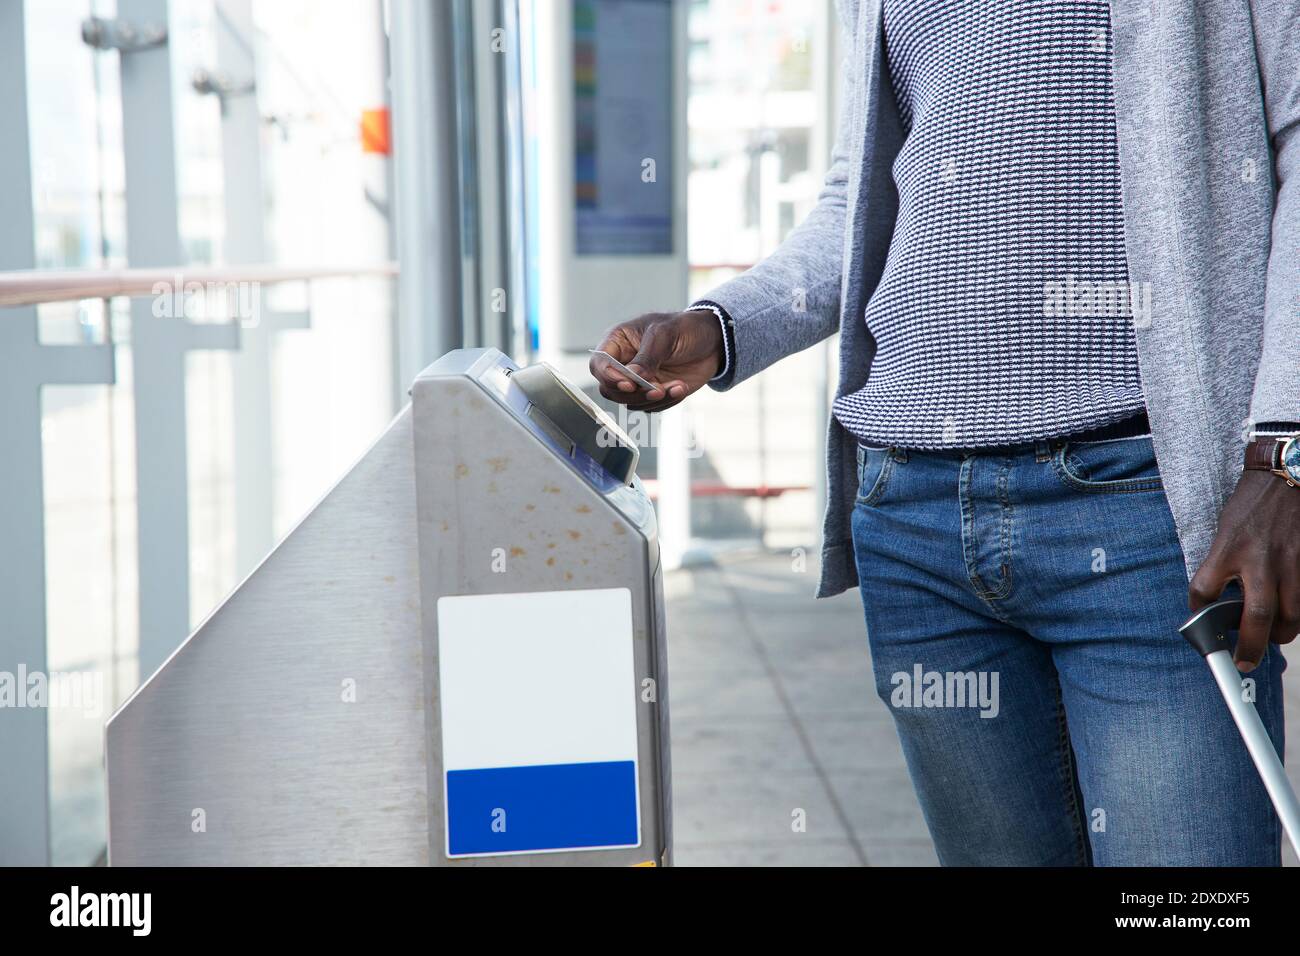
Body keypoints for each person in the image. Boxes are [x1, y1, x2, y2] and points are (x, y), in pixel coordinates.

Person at [590, 0, 1300, 866]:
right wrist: (724, 324)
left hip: (1148, 512)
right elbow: (864, 194)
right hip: (914, 513)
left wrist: (1284, 447)